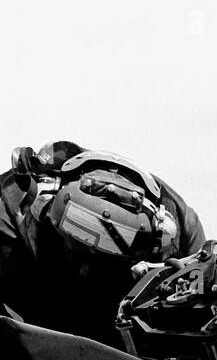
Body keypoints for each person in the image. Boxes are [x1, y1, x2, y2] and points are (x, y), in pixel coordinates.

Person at [0, 140, 205, 347]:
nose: (84, 270)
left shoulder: (183, 234)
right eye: (76, 251)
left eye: (101, 263)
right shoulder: (9, 209)